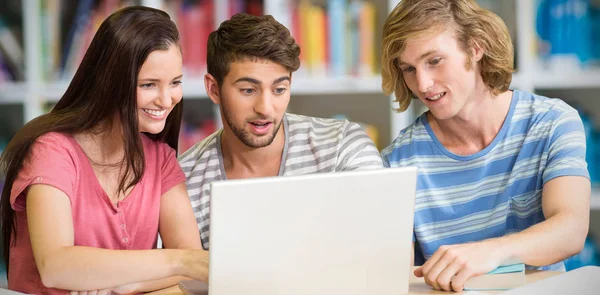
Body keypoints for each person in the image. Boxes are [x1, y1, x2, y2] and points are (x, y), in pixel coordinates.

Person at [380, 0, 590, 292]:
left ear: (475, 48)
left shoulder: (552, 122)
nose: (423, 84)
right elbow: (394, 277)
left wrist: (488, 253)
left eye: (434, 61)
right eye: (408, 69)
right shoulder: (397, 163)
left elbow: (571, 230)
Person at [0, 6, 208, 294]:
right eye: (148, 85)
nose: (166, 99)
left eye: (175, 82)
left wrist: (123, 281)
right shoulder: (52, 151)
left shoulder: (160, 159)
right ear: (110, 82)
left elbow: (196, 274)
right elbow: (57, 267)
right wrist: (178, 261)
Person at [178, 13, 384, 250]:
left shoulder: (343, 148)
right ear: (214, 89)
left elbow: (380, 249)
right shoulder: (184, 182)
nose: (265, 109)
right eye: (248, 90)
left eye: (279, 89)